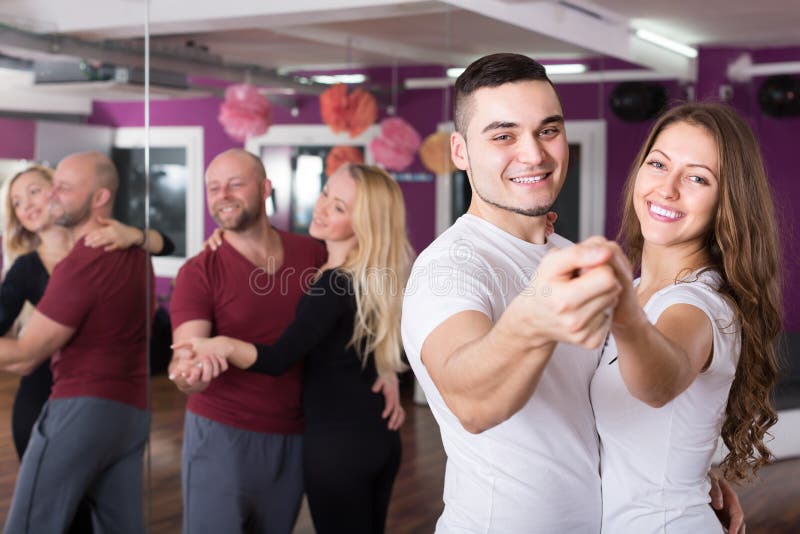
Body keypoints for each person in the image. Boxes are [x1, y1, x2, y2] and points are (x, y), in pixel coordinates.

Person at [401, 53, 744, 533]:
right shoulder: (450, 267)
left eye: (548, 130)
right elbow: (473, 406)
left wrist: (675, 476)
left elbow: (599, 403)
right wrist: (535, 310)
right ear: (460, 152)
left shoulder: (572, 257)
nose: (533, 154)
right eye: (503, 135)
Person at [172, 163, 412, 534]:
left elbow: (280, 358)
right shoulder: (362, 271)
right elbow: (374, 337)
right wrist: (388, 369)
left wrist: (221, 344)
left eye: (338, 207)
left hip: (336, 445)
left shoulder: (326, 275)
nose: (321, 207)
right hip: (377, 436)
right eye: (325, 193)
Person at [590, 102, 780, 532]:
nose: (667, 188)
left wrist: (621, 310)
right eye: (658, 164)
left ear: (726, 201)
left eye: (697, 178)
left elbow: (659, 382)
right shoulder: (641, 293)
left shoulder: (699, 305)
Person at [0, 164, 172, 533]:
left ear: (97, 198)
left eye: (51, 189)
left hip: (81, 406)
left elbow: (27, 353)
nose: (40, 200)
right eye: (17, 201)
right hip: (124, 409)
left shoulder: (99, 255)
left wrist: (139, 234)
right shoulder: (133, 255)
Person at [167, 148, 328, 534]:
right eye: (213, 188)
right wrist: (189, 374)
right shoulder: (198, 272)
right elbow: (187, 359)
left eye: (235, 185)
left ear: (265, 188)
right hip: (221, 435)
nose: (223, 195)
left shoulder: (311, 253)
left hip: (295, 434)